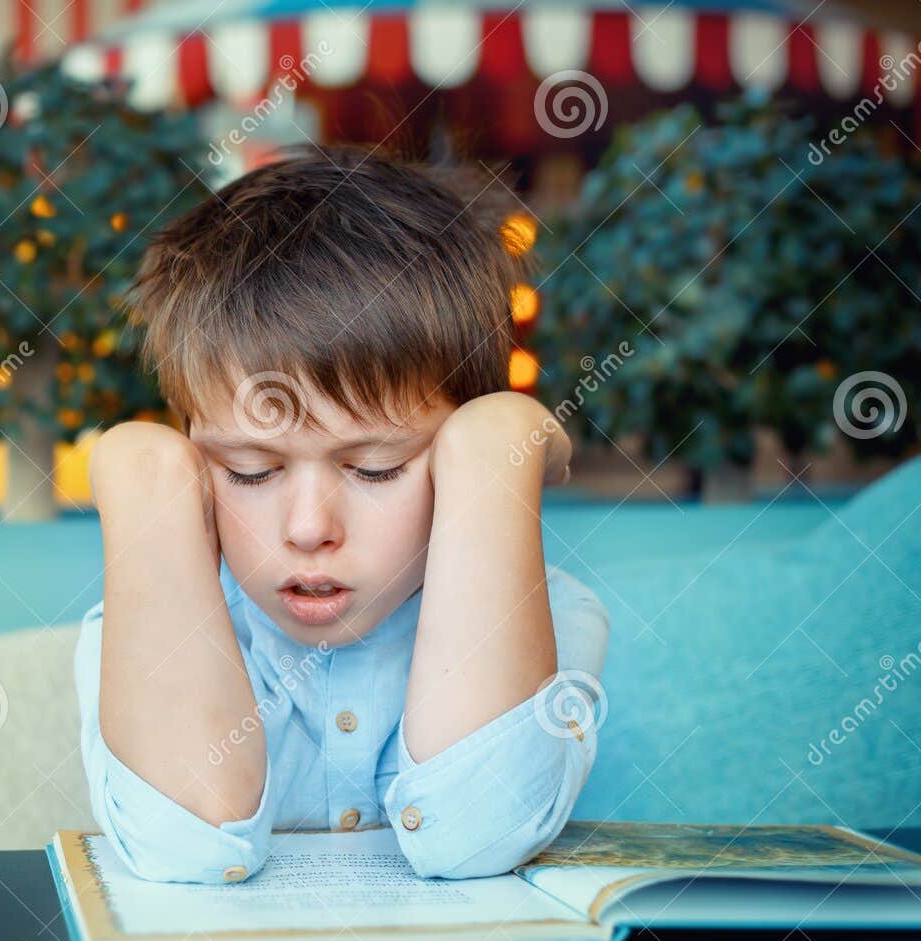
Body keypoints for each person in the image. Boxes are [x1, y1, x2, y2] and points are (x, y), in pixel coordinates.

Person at [75, 144, 609, 884]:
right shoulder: (139, 624)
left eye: (374, 467)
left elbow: (474, 836)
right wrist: (140, 472)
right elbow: (185, 848)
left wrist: (496, 446)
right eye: (249, 470)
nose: (307, 528)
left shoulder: (550, 615)